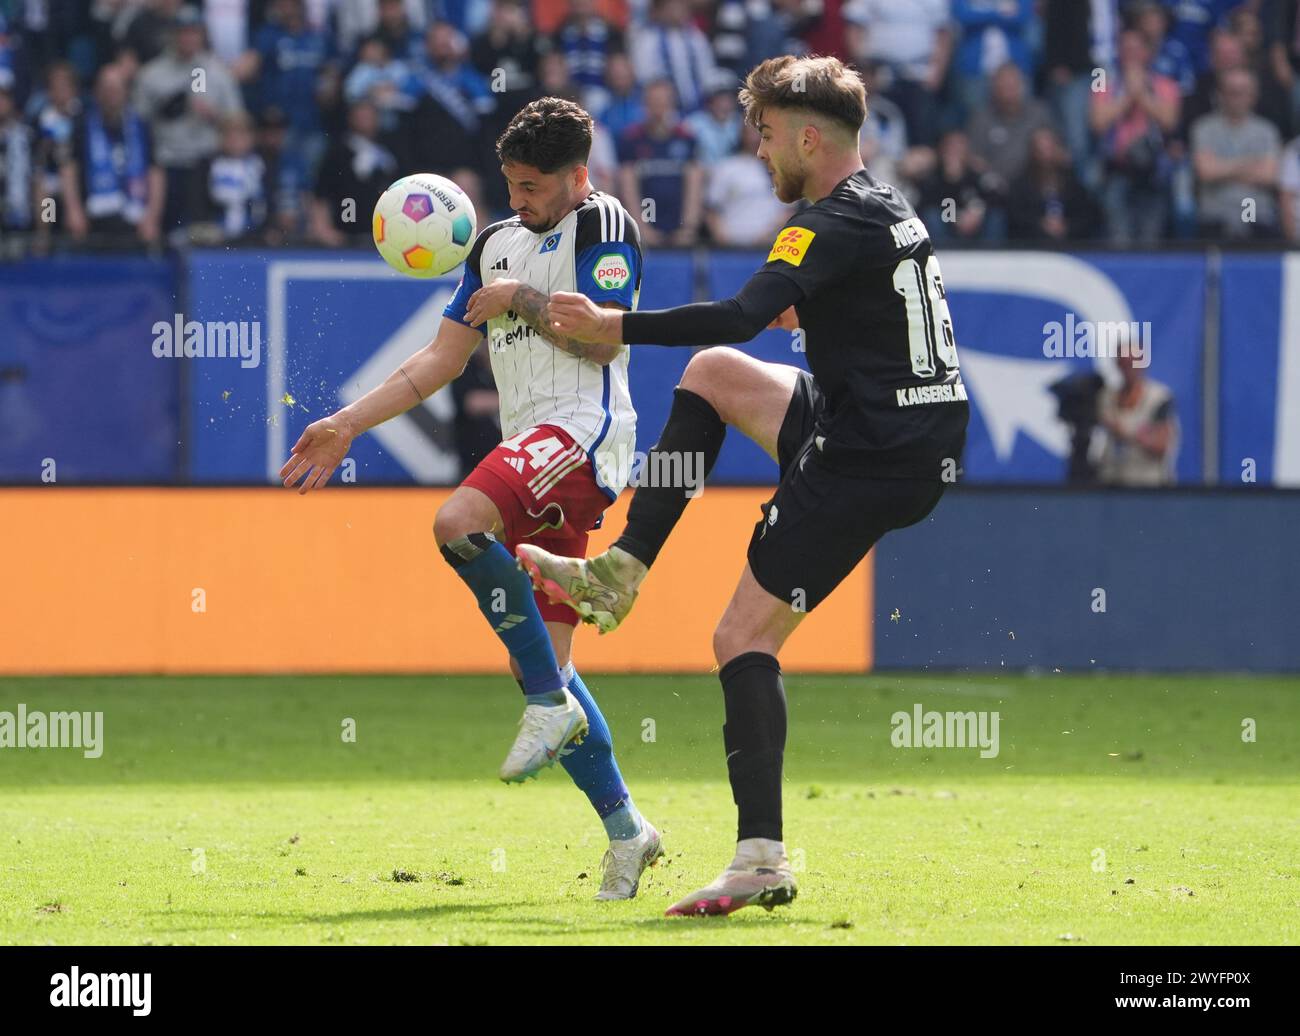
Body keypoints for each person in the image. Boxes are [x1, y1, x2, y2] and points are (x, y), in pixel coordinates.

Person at [518, 56, 969, 917]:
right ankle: (622, 571)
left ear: (807, 135)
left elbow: (739, 310)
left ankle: (760, 857)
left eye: (764, 133)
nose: (757, 151)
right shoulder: (882, 205)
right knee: (716, 374)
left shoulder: (821, 226)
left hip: (870, 452)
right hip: (908, 428)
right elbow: (801, 319)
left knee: (740, 637)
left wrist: (613, 323)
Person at [279, 97, 661, 900]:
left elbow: (604, 334)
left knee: (455, 521)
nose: (518, 201)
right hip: (531, 446)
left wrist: (518, 299)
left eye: (531, 187)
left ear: (577, 176)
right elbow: (439, 362)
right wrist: (347, 424)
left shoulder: (606, 225)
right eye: (511, 184)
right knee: (548, 665)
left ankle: (547, 703)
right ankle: (629, 831)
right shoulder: (489, 244)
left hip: (584, 432)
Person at [1097, 352, 1178, 486]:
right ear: (1117, 364)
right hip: (1112, 482)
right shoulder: (1107, 397)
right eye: (1125, 362)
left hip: (1147, 485)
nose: (1129, 367)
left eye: (1134, 362)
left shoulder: (1159, 398)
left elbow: (1162, 447)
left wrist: (1126, 433)